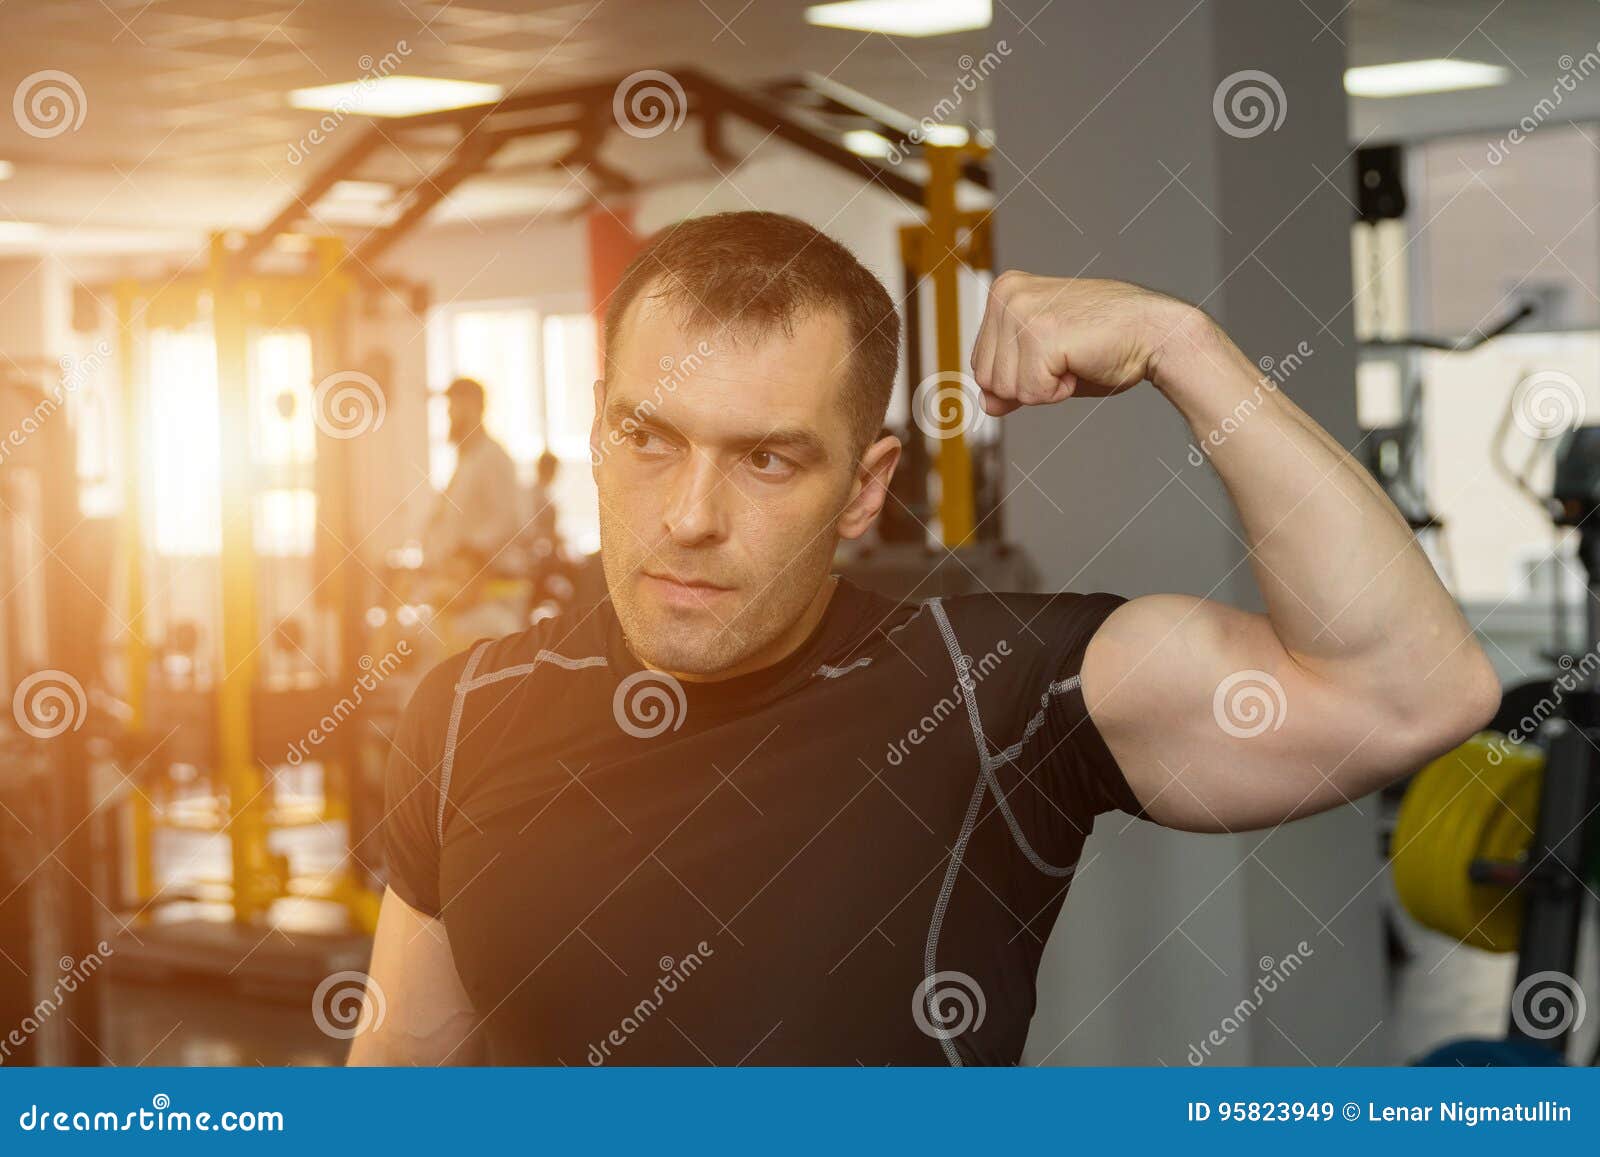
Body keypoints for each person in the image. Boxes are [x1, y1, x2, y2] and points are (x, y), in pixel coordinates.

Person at [350, 211, 1499, 1066]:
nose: (690, 515)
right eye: (647, 437)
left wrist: (1182, 344)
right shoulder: (467, 709)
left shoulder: (988, 690)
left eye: (766, 458)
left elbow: (1406, 692)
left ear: (864, 486)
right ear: (596, 430)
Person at [421, 377, 522, 579]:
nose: (449, 414)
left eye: (453, 406)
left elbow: (506, 519)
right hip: (459, 578)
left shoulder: (493, 457)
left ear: (473, 406)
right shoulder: (465, 458)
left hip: (487, 579)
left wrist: (469, 551)